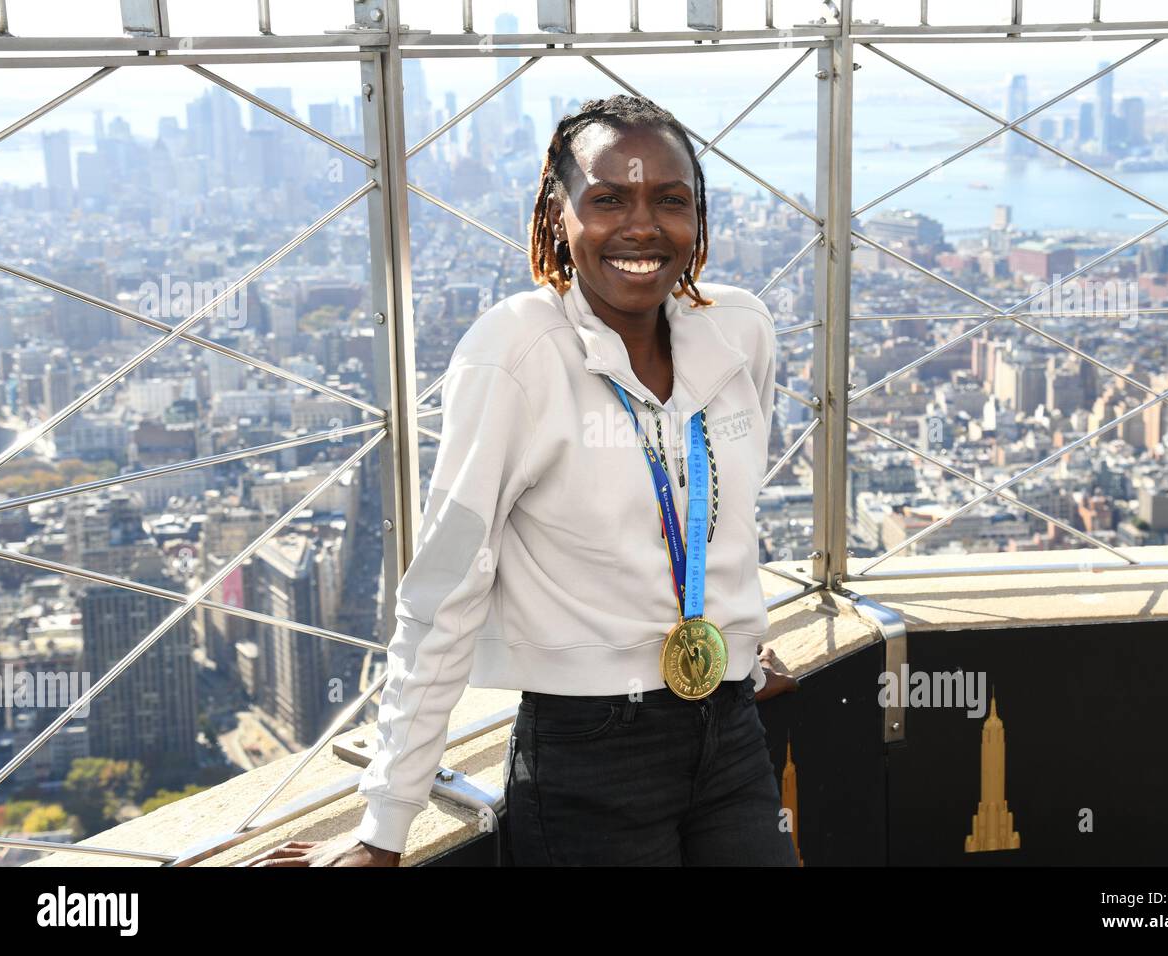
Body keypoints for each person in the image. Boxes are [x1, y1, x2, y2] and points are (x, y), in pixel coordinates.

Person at [244, 94, 797, 867]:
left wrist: (735, 643)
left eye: (670, 200)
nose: (642, 226)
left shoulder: (741, 330)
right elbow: (444, 591)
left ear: (698, 215)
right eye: (608, 199)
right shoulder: (513, 353)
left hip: (729, 727)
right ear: (556, 213)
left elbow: (726, 512)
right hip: (591, 749)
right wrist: (384, 825)